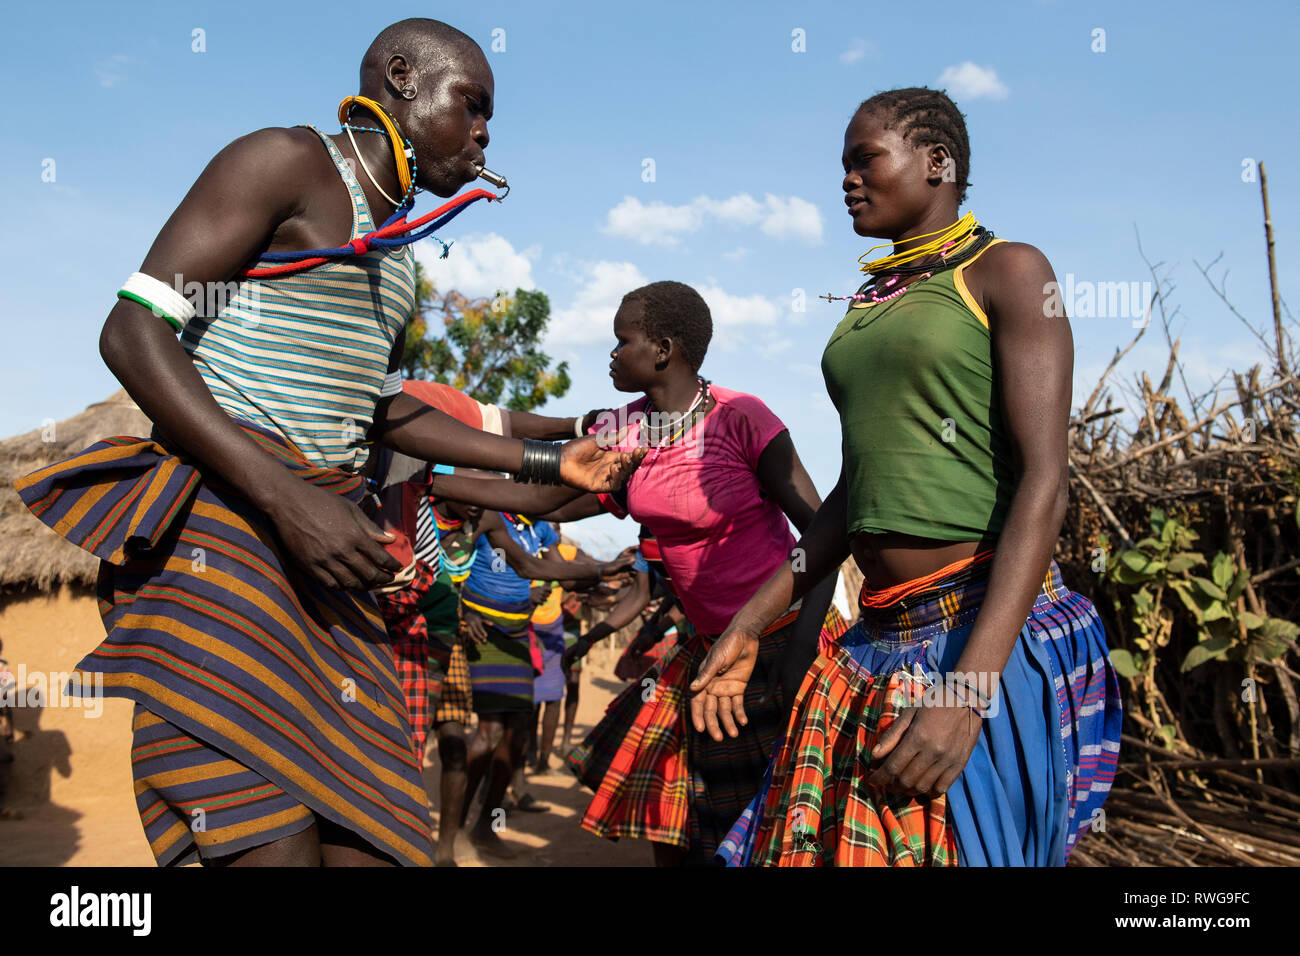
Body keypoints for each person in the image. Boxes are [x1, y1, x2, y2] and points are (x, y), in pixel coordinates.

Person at [15, 18, 638, 868]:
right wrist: (285, 498)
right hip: (226, 538)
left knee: (375, 840)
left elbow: (381, 409)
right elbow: (132, 331)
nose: (486, 132)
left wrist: (546, 460)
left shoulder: (396, 258)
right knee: (266, 843)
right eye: (474, 105)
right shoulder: (286, 161)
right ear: (402, 77)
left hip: (327, 561)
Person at [691, 87, 1123, 867]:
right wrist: (751, 622)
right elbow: (853, 498)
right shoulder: (865, 307)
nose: (847, 180)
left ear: (937, 162)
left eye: (865, 159)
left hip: (981, 631)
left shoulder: (1011, 271)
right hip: (879, 642)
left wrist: (967, 689)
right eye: (843, 165)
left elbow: (1045, 481)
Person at [423, 280, 845, 865]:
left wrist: (795, 665)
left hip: (780, 640)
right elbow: (547, 498)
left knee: (774, 825)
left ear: (664, 349)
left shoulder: (741, 418)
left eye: (622, 341)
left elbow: (823, 535)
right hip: (706, 651)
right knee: (680, 829)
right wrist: (424, 477)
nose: (613, 355)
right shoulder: (627, 431)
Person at [458, 510, 632, 858]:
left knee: (519, 731)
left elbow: (562, 577)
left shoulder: (539, 529)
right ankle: (455, 827)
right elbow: (457, 562)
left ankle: (486, 826)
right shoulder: (491, 517)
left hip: (519, 635)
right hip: (484, 633)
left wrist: (610, 569)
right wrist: (466, 613)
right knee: (489, 732)